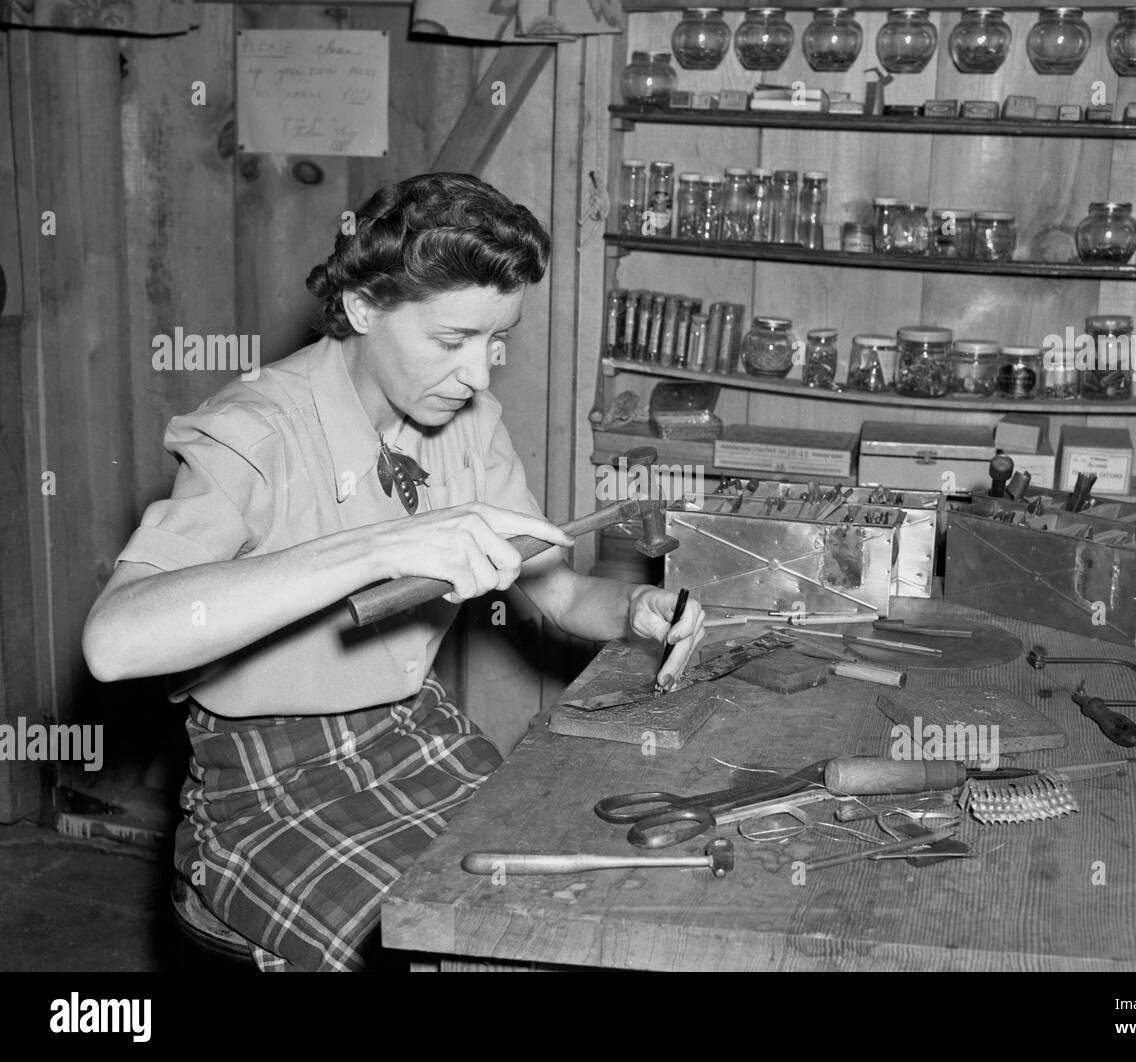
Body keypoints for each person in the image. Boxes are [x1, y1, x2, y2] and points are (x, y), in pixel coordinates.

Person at [82, 172, 705, 971]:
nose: (481, 376)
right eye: (452, 342)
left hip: (416, 734)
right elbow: (113, 641)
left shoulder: (465, 423)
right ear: (364, 308)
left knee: (566, 916)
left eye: (496, 340)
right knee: (442, 952)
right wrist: (380, 548)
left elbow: (559, 589)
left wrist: (638, 609)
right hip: (268, 786)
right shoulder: (253, 432)